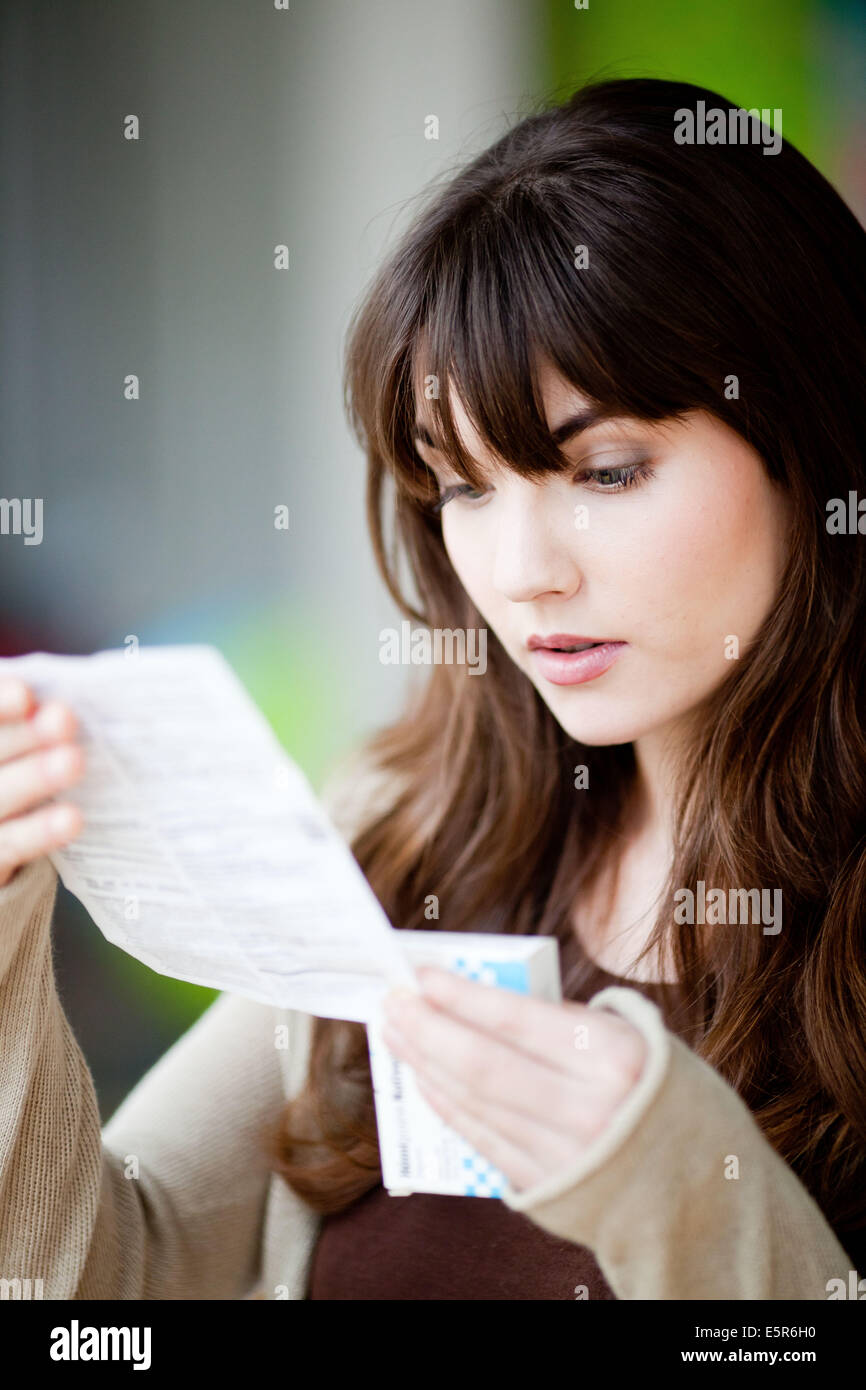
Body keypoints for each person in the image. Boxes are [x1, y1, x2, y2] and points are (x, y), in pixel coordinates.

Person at [1, 76, 864, 1301]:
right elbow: (101, 1292)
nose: (521, 576)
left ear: (813, 441)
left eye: (605, 472)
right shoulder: (403, 829)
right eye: (461, 486)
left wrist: (673, 1178)